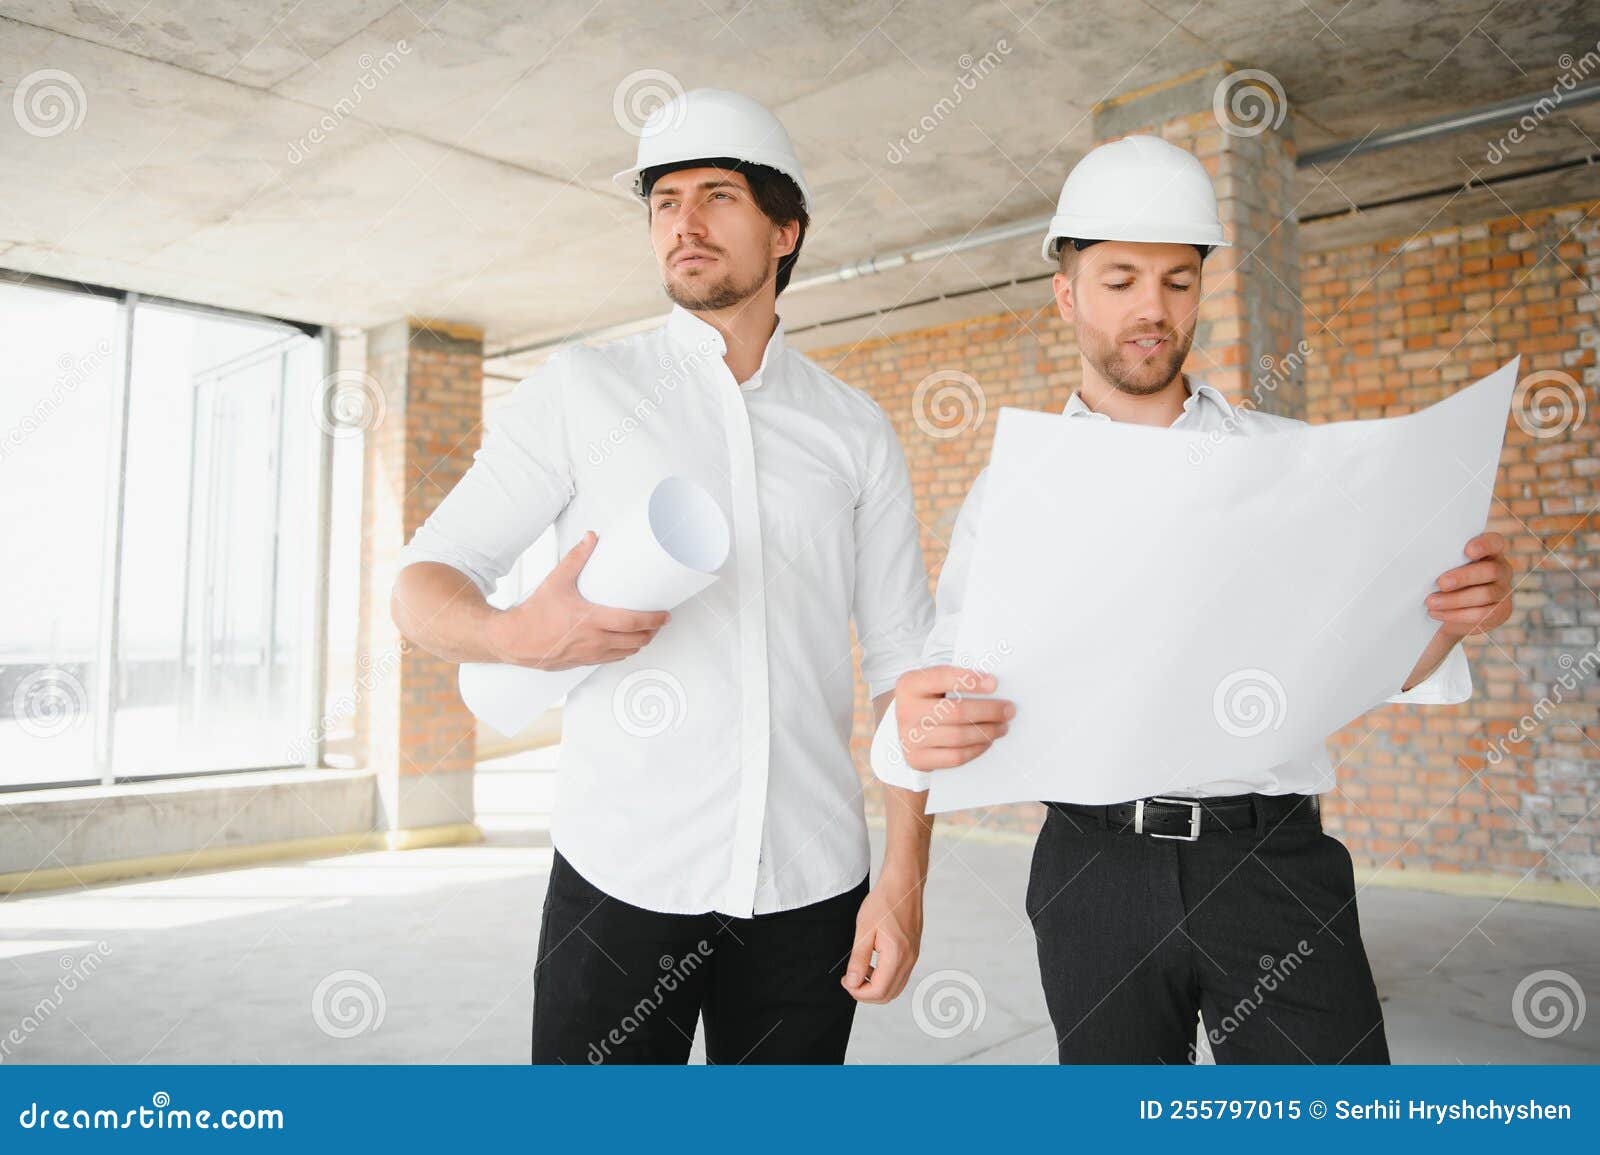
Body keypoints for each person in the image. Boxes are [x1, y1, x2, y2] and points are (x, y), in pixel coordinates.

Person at [875, 135, 1514, 1064]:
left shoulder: (1284, 464)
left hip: (1271, 865)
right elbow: (944, 688)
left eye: (1178, 281)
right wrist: (920, 727)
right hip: (1092, 874)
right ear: (1067, 293)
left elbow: (1371, 662)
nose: (1152, 310)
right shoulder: (1017, 493)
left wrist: (1453, 617)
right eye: (1121, 279)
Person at [391, 88, 936, 1064]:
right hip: (620, 876)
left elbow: (904, 662)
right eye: (663, 202)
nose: (683, 221)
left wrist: (902, 879)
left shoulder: (852, 428)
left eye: (718, 195)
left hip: (810, 884)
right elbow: (423, 584)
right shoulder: (580, 389)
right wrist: (520, 635)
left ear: (784, 230)